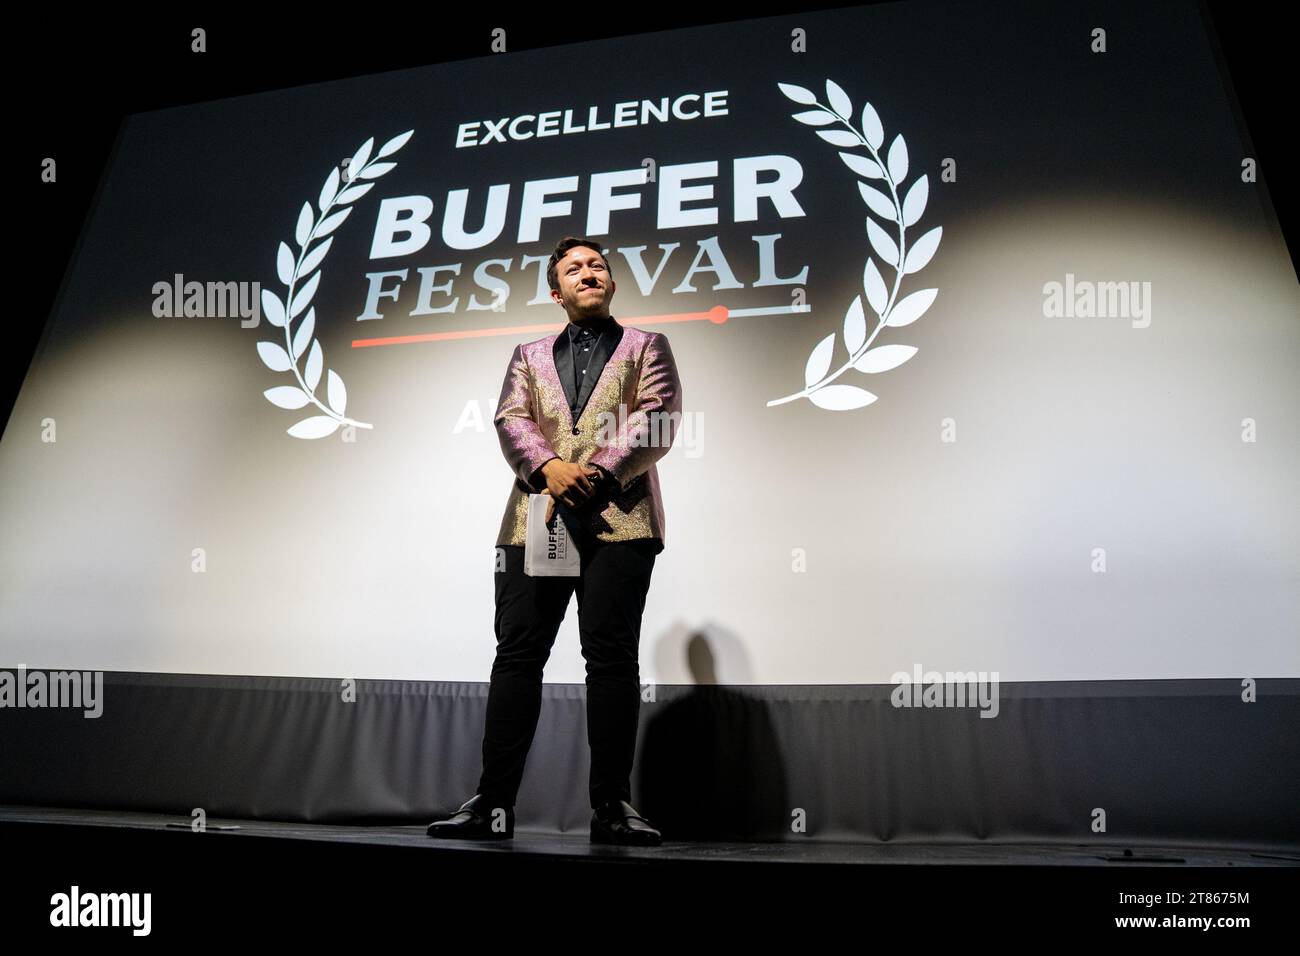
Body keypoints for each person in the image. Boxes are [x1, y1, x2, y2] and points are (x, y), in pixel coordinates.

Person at [427, 235, 682, 845]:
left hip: (620, 518)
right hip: (532, 520)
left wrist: (593, 472)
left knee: (611, 658)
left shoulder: (649, 345)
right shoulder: (528, 352)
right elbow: (510, 418)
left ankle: (612, 808)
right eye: (574, 268)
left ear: (613, 283)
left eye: (598, 266)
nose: (589, 272)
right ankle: (492, 804)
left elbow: (661, 413)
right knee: (518, 656)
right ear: (556, 290)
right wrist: (547, 468)